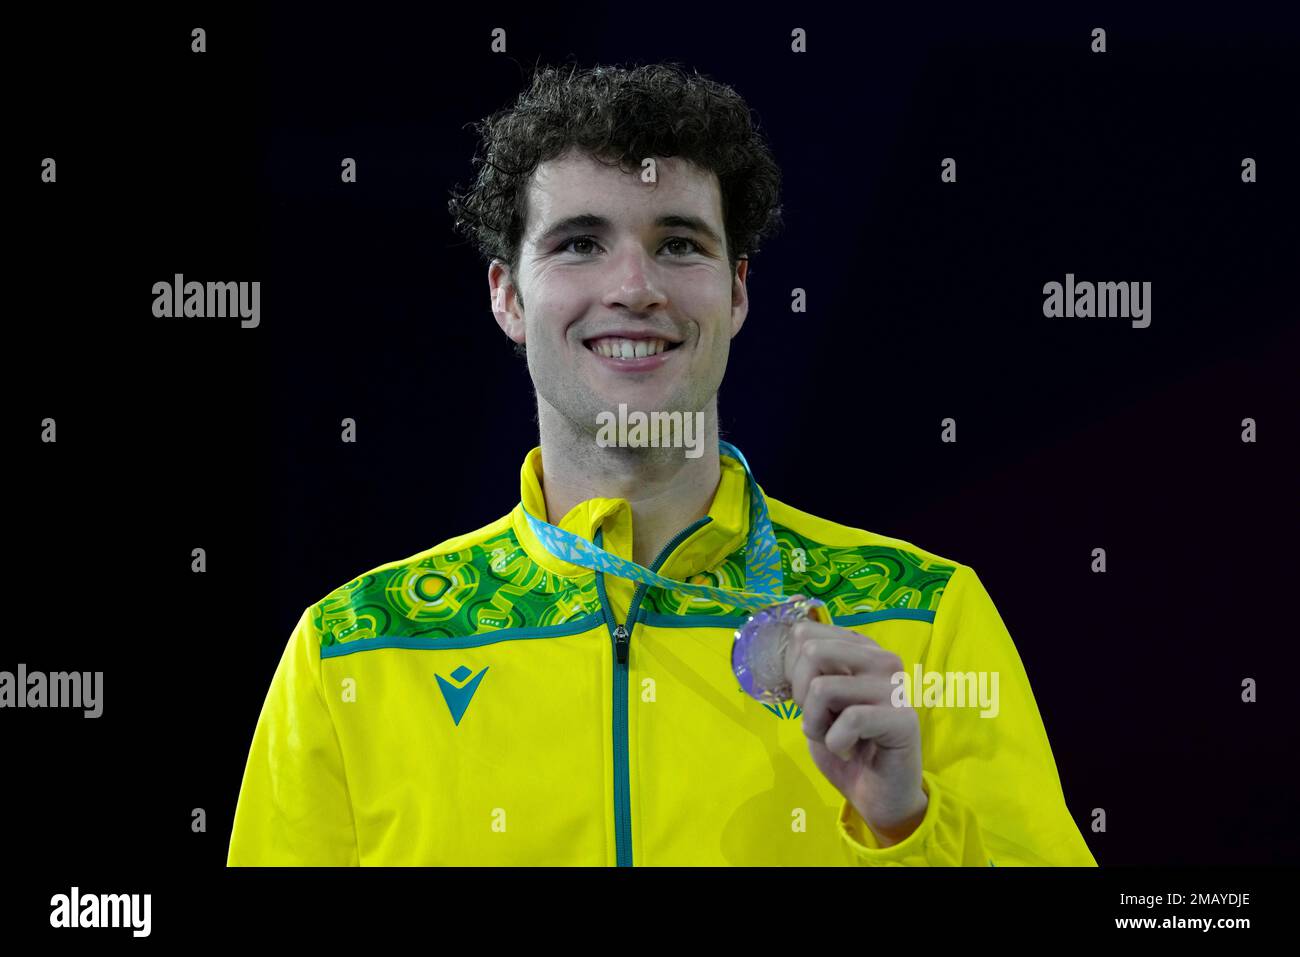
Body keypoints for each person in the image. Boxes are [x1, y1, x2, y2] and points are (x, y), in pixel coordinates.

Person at [228, 61, 1097, 866]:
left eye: (679, 243)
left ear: (738, 291)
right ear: (506, 297)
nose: (635, 285)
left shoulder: (922, 620)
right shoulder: (351, 654)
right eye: (578, 243)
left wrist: (907, 824)